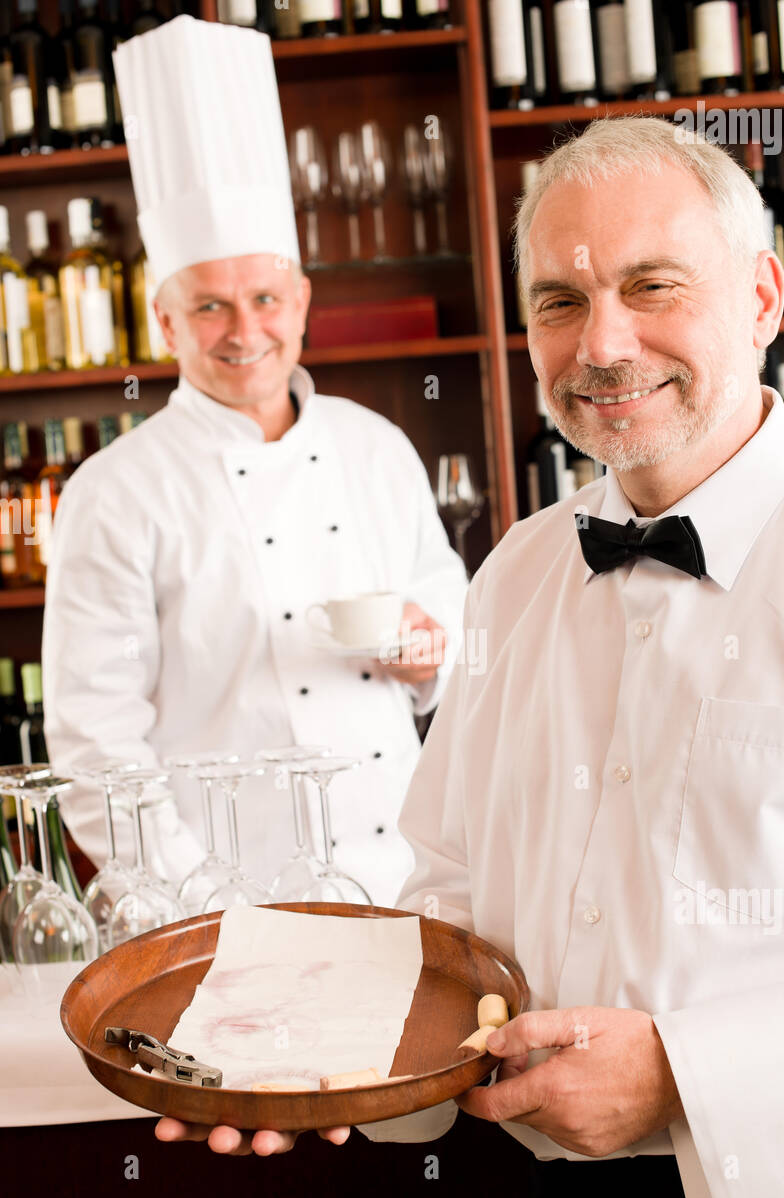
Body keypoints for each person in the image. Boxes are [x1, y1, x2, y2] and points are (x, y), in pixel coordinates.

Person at [163, 116, 784, 1198]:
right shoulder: (518, 571)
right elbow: (447, 896)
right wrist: (309, 1059)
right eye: (555, 301)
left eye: (651, 285)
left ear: (759, 294)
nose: (601, 343)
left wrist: (681, 1078)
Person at [42, 16, 467, 909]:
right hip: (230, 906)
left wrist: (430, 655)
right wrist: (200, 903)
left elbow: (459, 651)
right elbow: (94, 747)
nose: (244, 331)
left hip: (412, 883)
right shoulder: (115, 494)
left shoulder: (376, 447)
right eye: (208, 307)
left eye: (266, 297)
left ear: (302, 301)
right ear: (164, 322)